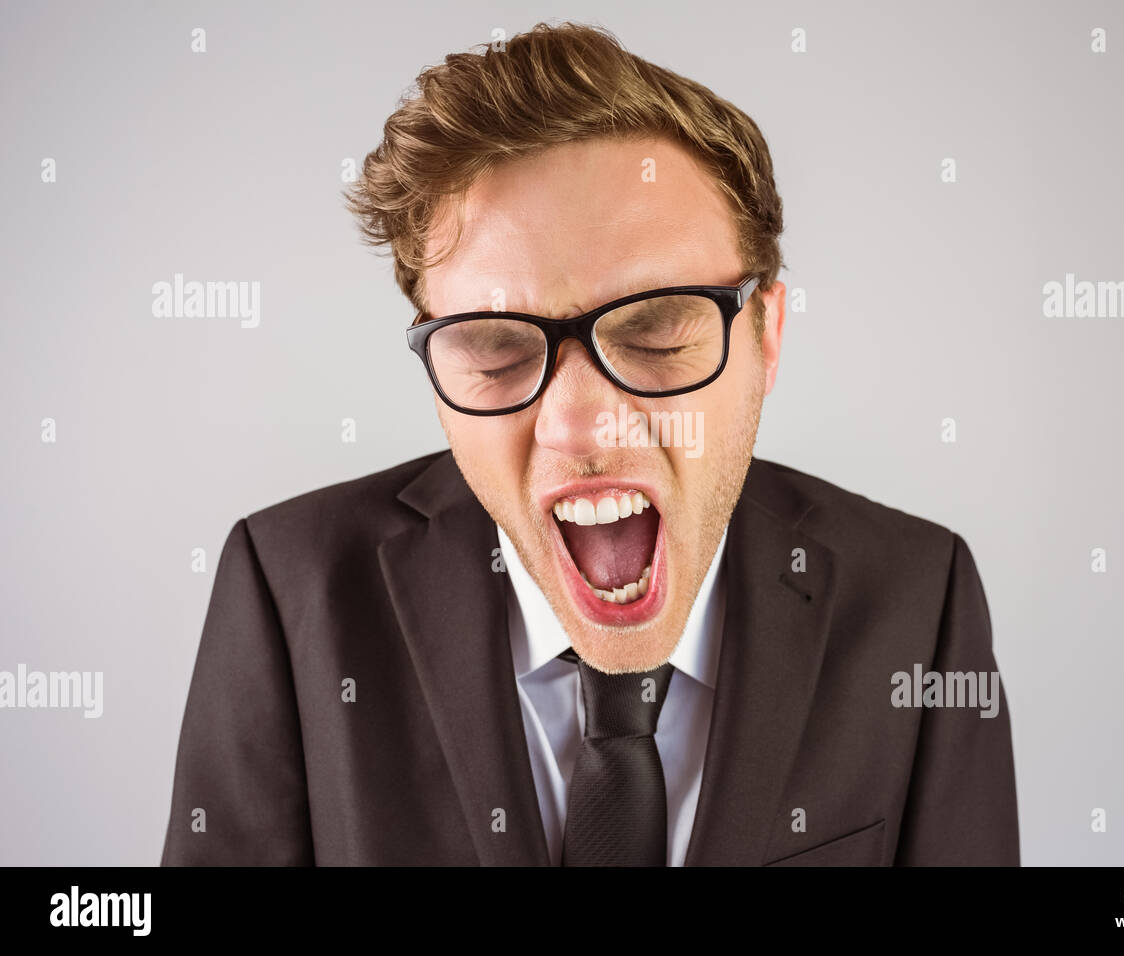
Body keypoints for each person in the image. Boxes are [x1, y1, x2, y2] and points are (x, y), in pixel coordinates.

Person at [161, 20, 1018, 866]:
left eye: (654, 330)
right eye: (495, 346)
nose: (583, 427)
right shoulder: (288, 589)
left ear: (767, 337)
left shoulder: (921, 600)